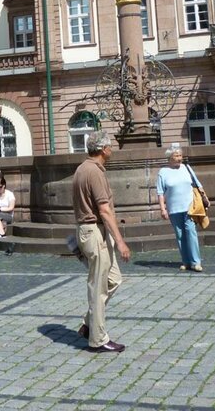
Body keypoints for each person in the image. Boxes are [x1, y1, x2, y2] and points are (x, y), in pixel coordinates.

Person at [73, 132, 131, 353]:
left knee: (113, 279)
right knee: (98, 288)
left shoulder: (82, 169)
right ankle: (98, 339)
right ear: (103, 149)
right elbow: (105, 210)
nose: (112, 149)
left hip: (92, 231)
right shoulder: (93, 173)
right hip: (94, 232)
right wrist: (121, 241)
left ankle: (89, 324)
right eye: (110, 146)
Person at [155, 143, 203, 272]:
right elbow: (160, 192)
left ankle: (195, 262)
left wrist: (204, 197)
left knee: (191, 231)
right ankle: (186, 261)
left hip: (189, 206)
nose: (179, 158)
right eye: (176, 156)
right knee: (180, 234)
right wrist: (162, 209)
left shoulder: (186, 168)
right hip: (174, 208)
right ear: (169, 157)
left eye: (180, 155)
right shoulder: (163, 172)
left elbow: (197, 183)